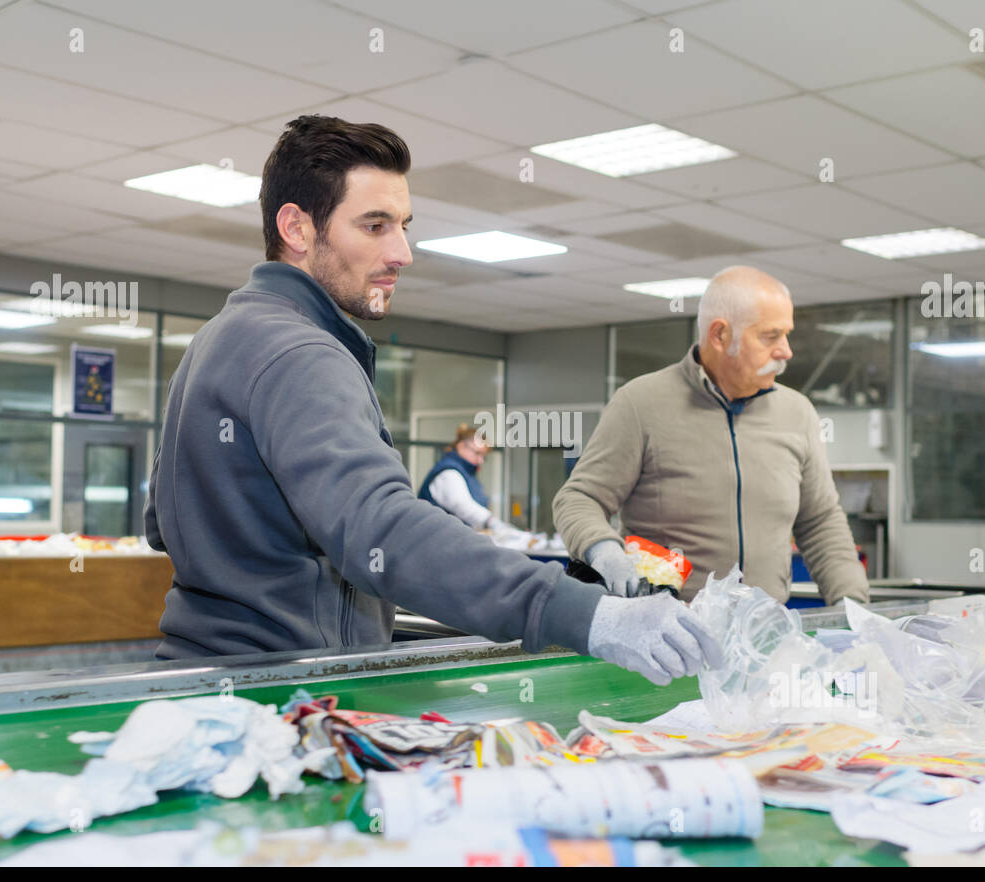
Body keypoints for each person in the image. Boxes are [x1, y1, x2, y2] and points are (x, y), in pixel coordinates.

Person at [144, 114, 717, 686]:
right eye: (374, 226)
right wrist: (582, 613)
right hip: (282, 691)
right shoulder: (299, 353)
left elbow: (163, 523)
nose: (402, 252)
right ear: (296, 228)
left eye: (403, 226)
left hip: (203, 677)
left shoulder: (217, 340)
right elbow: (381, 529)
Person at [553, 265, 870, 606]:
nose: (786, 351)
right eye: (771, 336)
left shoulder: (797, 413)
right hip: (665, 637)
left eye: (786, 334)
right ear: (720, 335)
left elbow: (821, 521)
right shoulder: (641, 404)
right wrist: (603, 550)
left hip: (763, 637)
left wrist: (852, 608)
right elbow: (578, 498)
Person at [417, 425, 513, 535]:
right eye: (477, 453)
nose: (480, 460)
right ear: (461, 446)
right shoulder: (448, 473)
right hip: (439, 542)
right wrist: (491, 522)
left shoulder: (466, 473)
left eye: (483, 456)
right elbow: (463, 506)